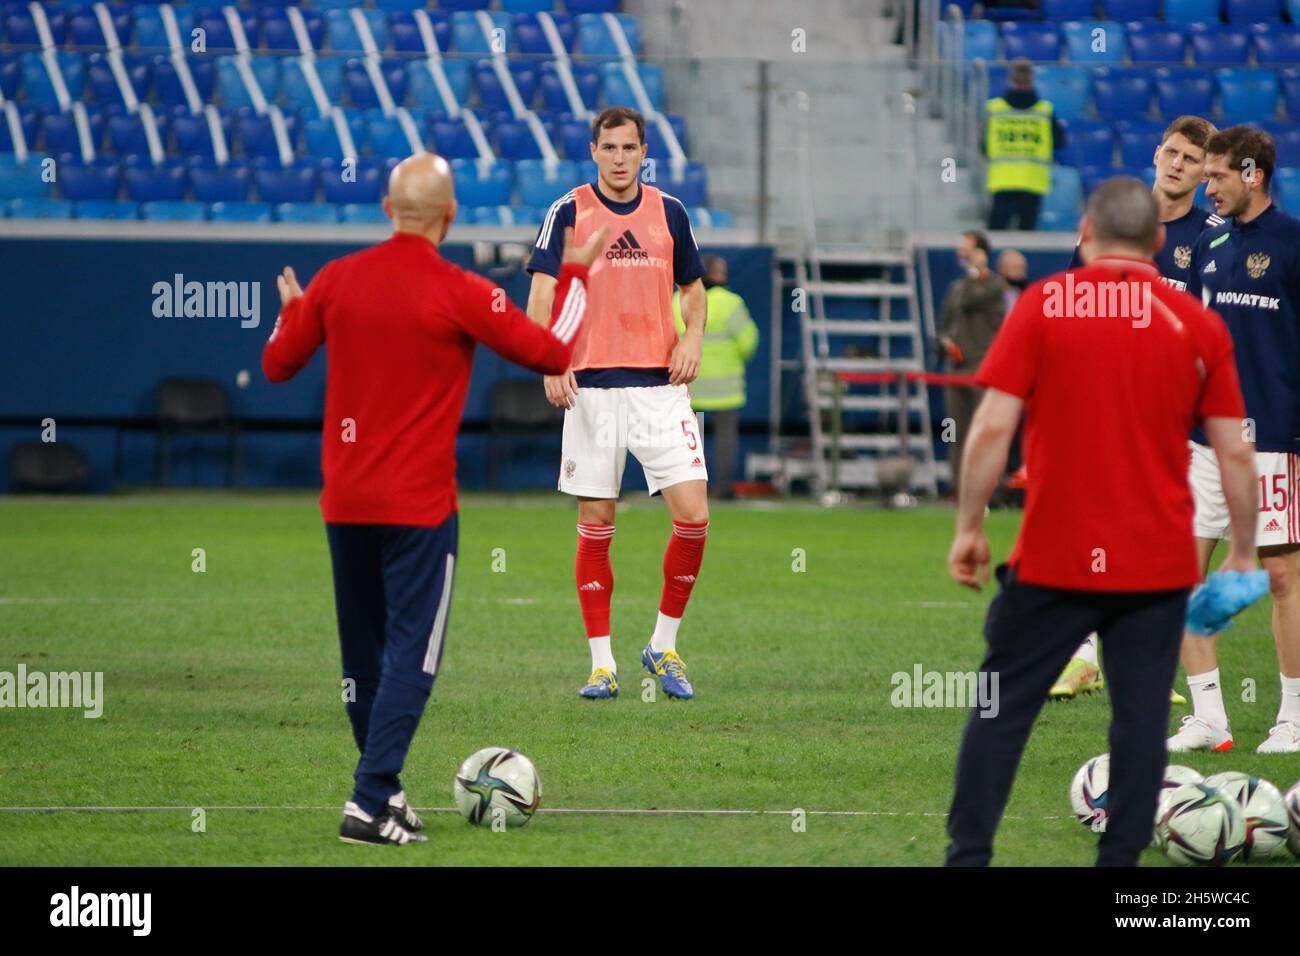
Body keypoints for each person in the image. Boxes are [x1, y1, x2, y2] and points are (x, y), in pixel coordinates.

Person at [262, 153, 604, 846]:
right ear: (449, 218)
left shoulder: (334, 282)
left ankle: (383, 791)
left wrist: (292, 314)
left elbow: (277, 364)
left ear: (386, 210)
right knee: (413, 655)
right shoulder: (461, 290)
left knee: (363, 657)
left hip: (345, 502)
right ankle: (366, 802)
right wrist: (575, 271)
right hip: (418, 508)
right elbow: (552, 349)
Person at [945, 177, 1256, 866]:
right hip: (1158, 561)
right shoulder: (1197, 322)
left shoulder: (1042, 305)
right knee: (1140, 721)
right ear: (1156, 241)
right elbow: (1235, 449)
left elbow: (992, 427)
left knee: (1000, 711)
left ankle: (967, 858)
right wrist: (1240, 549)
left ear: (1086, 233)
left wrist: (969, 526)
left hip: (1053, 555)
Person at [525, 106, 709, 701]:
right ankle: (602, 664)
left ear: (643, 152)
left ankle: (663, 644)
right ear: (594, 151)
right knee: (597, 521)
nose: (621, 158)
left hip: (660, 386)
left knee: (694, 518)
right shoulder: (568, 211)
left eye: (630, 148)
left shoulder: (670, 212)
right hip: (591, 387)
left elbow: (695, 289)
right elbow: (542, 291)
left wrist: (693, 334)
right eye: (610, 148)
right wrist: (550, 358)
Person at [1052, 115, 1223, 702]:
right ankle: (1080, 655)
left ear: (1206, 173)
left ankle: (1130, 660)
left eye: (1191, 159)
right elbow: (1073, 311)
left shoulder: (1212, 239)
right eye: (1172, 152)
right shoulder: (1113, 228)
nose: (1178, 164)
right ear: (1156, 153)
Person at [1168, 125, 1300, 754]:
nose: (1206, 184)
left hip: (1274, 436)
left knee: (1282, 577)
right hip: (1204, 441)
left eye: (1216, 175)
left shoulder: (1295, 244)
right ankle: (1210, 717)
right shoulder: (1208, 242)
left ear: (1251, 174)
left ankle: (1295, 716)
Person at [673, 254, 759, 499]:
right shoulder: (731, 303)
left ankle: (690, 488)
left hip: (689, 385)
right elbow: (748, 342)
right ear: (718, 274)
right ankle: (723, 488)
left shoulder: (676, 301)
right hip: (725, 388)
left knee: (691, 440)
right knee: (725, 440)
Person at [938, 230, 1009, 498]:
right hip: (955, 368)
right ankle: (960, 487)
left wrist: (974, 272)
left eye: (966, 250)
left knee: (986, 432)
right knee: (956, 433)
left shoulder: (994, 285)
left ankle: (992, 489)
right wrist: (944, 341)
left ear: (980, 252)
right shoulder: (956, 286)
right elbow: (944, 321)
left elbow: (969, 301)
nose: (961, 255)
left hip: (982, 366)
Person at [984, 59, 1065, 231]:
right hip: (1033, 181)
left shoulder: (995, 108)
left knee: (996, 235)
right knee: (1027, 239)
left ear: (1010, 78)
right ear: (1032, 79)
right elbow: (1060, 142)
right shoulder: (1045, 110)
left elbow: (984, 146)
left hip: (1003, 180)